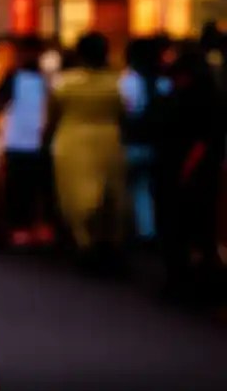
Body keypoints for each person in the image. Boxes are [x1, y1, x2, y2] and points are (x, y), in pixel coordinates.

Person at [150, 41, 226, 301]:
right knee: (198, 230)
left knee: (179, 229)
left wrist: (185, 170)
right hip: (194, 173)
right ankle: (195, 280)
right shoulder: (210, 97)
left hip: (182, 172)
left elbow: (203, 140)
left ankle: (183, 281)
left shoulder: (187, 99)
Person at [45, 32, 127, 271]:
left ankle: (84, 244)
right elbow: (124, 113)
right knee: (111, 195)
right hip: (109, 142)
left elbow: (51, 115)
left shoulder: (64, 83)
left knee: (76, 197)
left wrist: (45, 140)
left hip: (72, 143)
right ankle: (108, 245)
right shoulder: (117, 82)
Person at [0, 37, 52, 247]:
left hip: (18, 141)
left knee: (18, 188)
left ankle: (20, 228)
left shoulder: (14, 77)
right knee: (35, 188)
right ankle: (33, 227)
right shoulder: (44, 80)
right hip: (36, 141)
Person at [119, 38, 159, 243]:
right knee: (144, 189)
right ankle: (146, 229)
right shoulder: (160, 80)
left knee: (128, 187)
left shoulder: (128, 80)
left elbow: (125, 110)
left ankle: (128, 230)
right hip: (153, 143)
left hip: (131, 142)